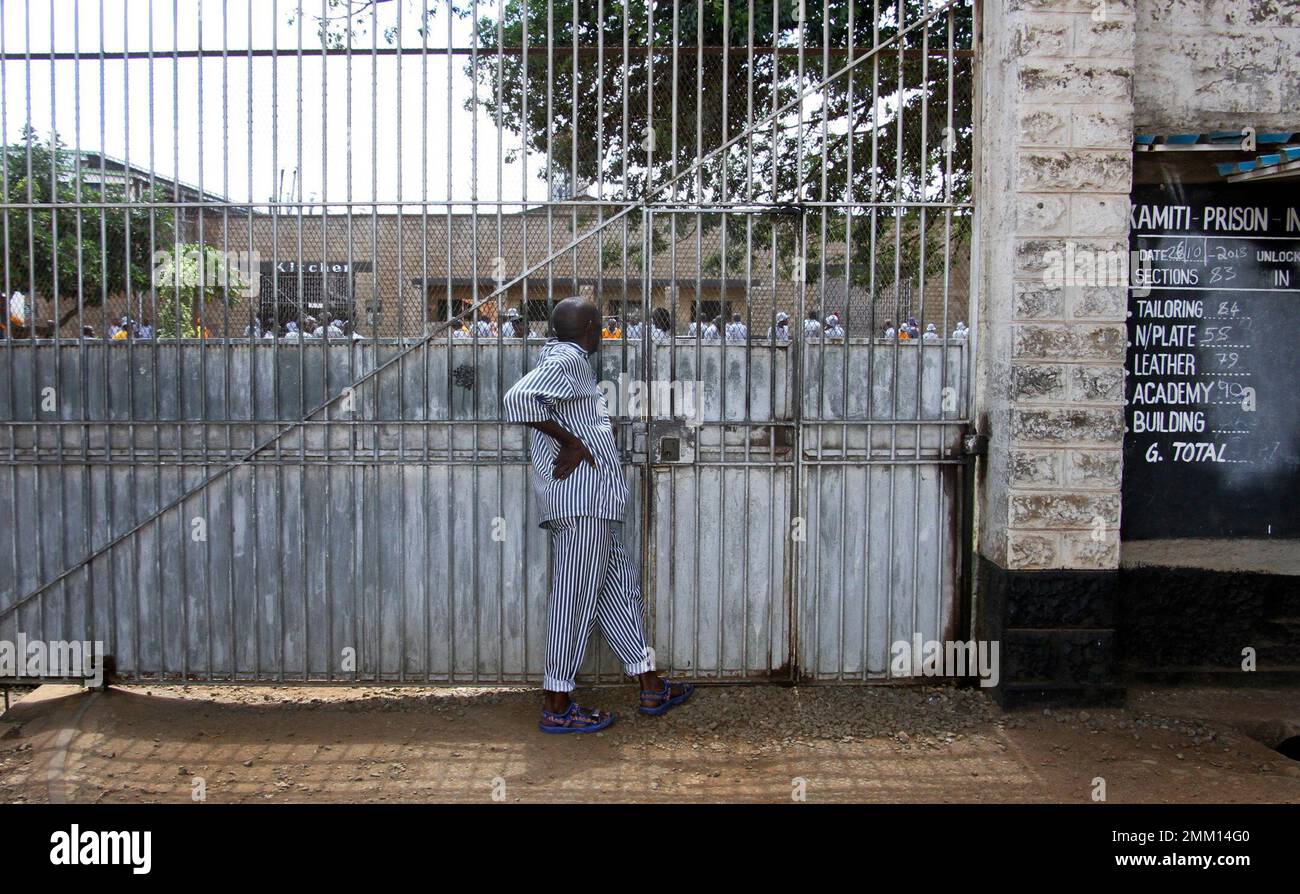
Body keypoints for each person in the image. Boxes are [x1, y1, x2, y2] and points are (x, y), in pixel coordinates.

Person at [502, 296, 694, 733]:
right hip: (581, 505)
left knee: (619, 592)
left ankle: (649, 683)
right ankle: (556, 702)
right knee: (573, 601)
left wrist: (581, 436)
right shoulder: (568, 359)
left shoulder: (567, 360)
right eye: (599, 326)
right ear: (590, 329)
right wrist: (572, 442)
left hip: (594, 506)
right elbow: (519, 399)